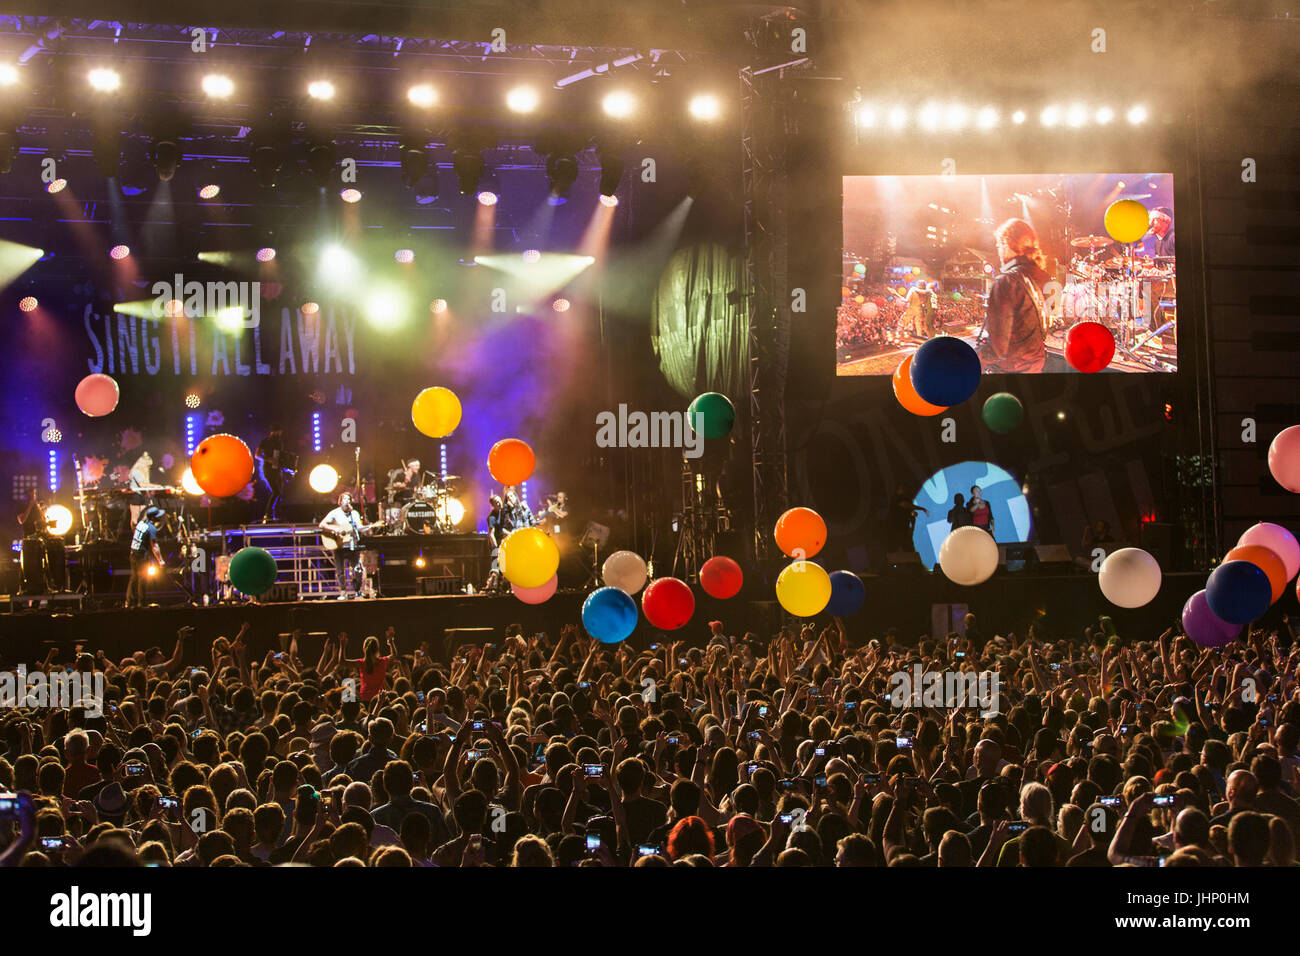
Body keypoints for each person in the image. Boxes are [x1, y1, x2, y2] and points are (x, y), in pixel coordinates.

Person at [978, 218, 1050, 373]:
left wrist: (969, 355)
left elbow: (997, 349)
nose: (998, 251)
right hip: (1035, 367)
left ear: (1007, 244)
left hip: (1010, 373)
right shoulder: (1041, 278)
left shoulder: (1006, 281)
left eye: (998, 245)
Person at [320, 492, 364, 600]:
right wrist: (335, 529)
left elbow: (359, 527)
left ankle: (357, 591)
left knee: (357, 569)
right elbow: (322, 524)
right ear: (340, 501)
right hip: (339, 545)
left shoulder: (354, 514)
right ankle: (343, 592)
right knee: (340, 571)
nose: (347, 501)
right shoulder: (334, 513)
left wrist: (370, 527)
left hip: (352, 544)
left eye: (349, 499)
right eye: (344, 499)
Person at [125, 505, 165, 608]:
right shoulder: (151, 528)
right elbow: (154, 545)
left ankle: (129, 602)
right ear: (153, 518)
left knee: (134, 578)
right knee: (142, 579)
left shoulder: (141, 523)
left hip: (133, 554)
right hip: (141, 557)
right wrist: (160, 560)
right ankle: (141, 604)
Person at [255, 425, 289, 523]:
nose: (280, 434)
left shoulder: (279, 442)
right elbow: (257, 455)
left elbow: (280, 456)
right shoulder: (266, 441)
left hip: (277, 470)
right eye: (279, 432)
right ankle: (268, 514)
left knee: (279, 493)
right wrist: (268, 459)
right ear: (274, 431)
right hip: (268, 469)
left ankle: (275, 514)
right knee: (276, 491)